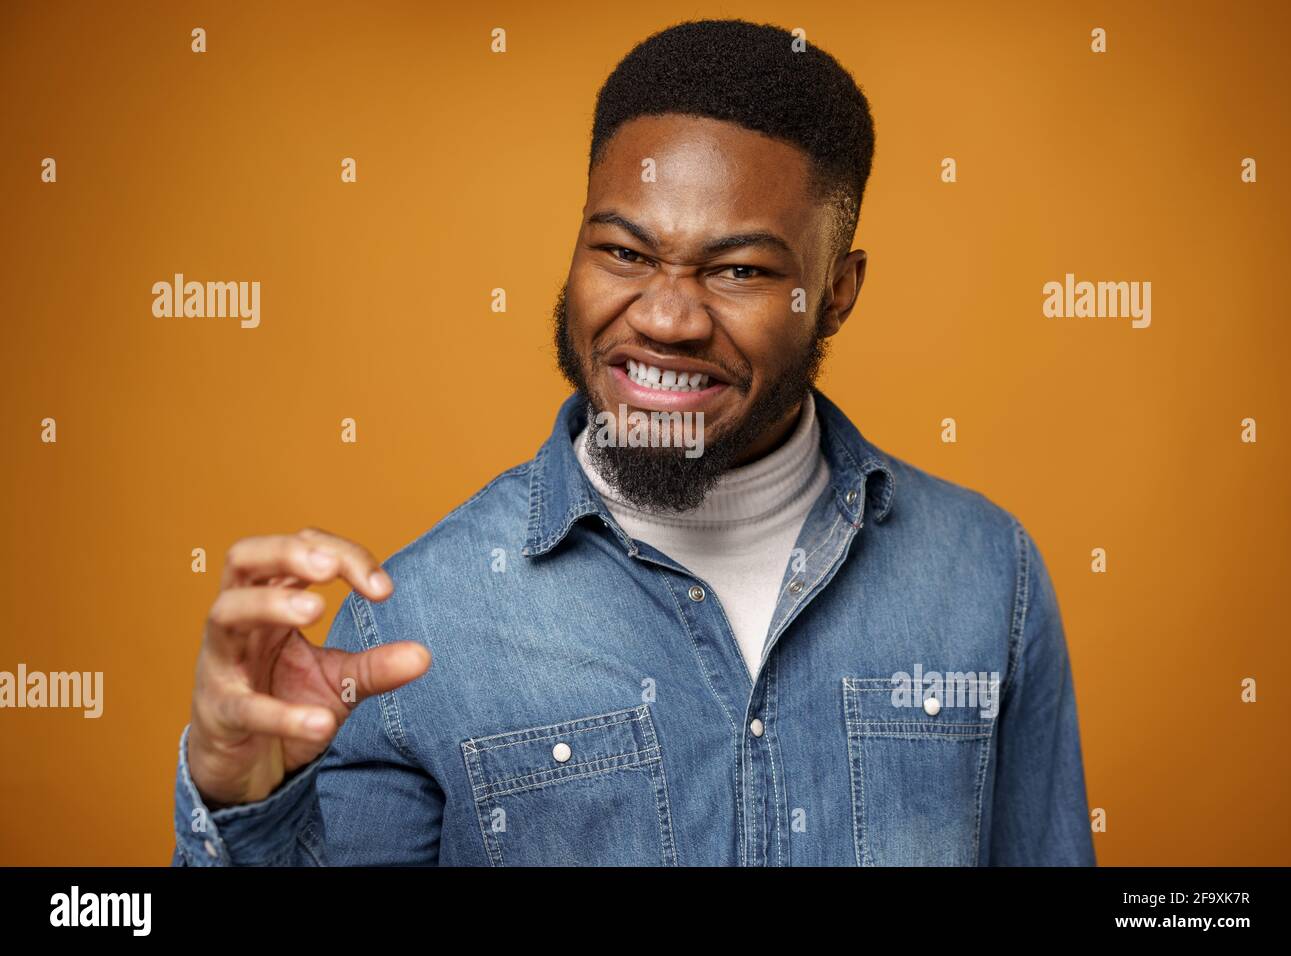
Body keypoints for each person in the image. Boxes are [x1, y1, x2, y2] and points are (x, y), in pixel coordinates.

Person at [173, 18, 1095, 866]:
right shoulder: (415, 622)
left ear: (837, 294)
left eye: (740, 270)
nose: (665, 318)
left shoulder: (988, 575)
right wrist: (244, 805)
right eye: (623, 253)